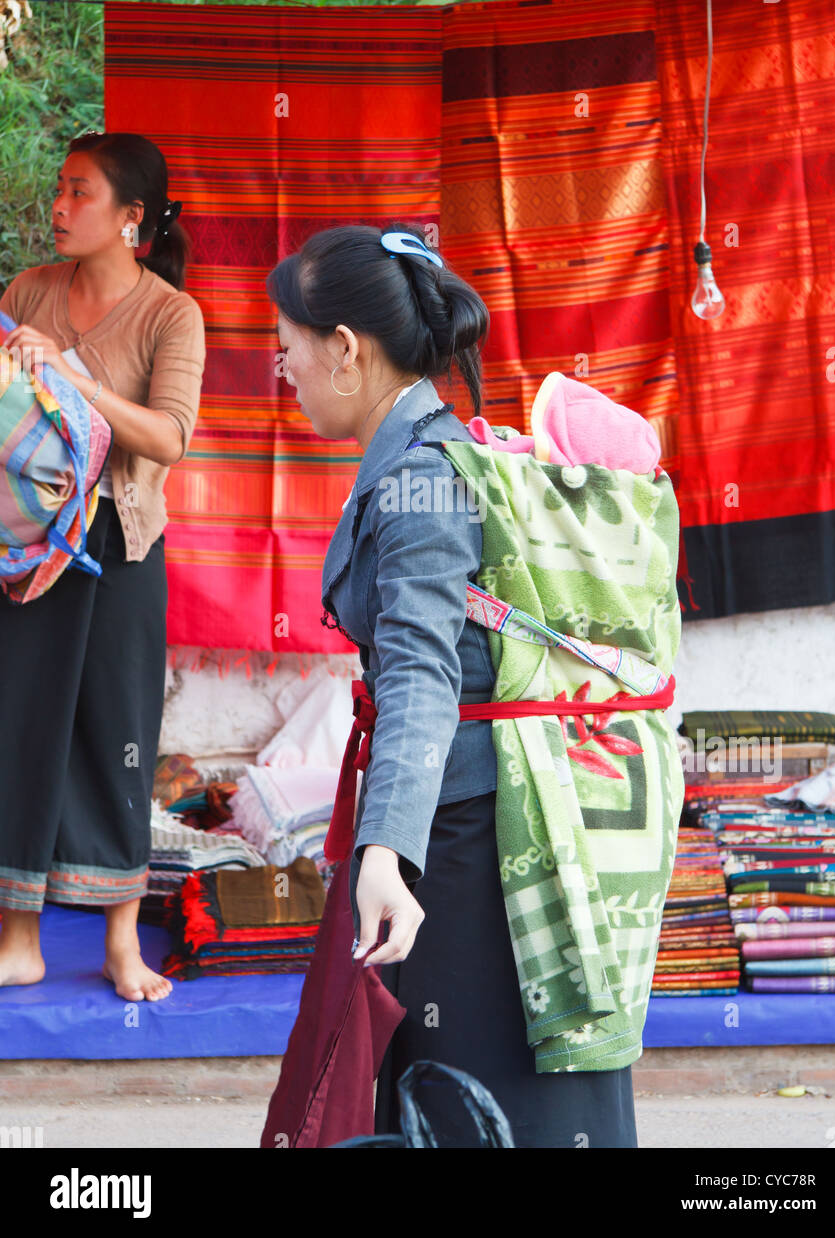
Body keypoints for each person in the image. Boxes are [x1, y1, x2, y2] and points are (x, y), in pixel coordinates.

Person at [266, 221, 639, 1147]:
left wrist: (386, 857)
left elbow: (422, 677)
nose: (285, 374)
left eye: (289, 353)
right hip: (466, 818)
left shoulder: (423, 478)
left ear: (346, 351)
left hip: (472, 842)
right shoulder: (421, 452)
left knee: (479, 1095)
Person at [0, 131, 206, 1003]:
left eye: (79, 193)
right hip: (28, 547)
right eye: (57, 190)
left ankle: (123, 945)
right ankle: (20, 940)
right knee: (21, 730)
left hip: (120, 545)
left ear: (131, 219)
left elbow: (169, 437)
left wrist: (71, 380)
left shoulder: (170, 314)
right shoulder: (26, 291)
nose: (58, 206)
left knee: (118, 738)